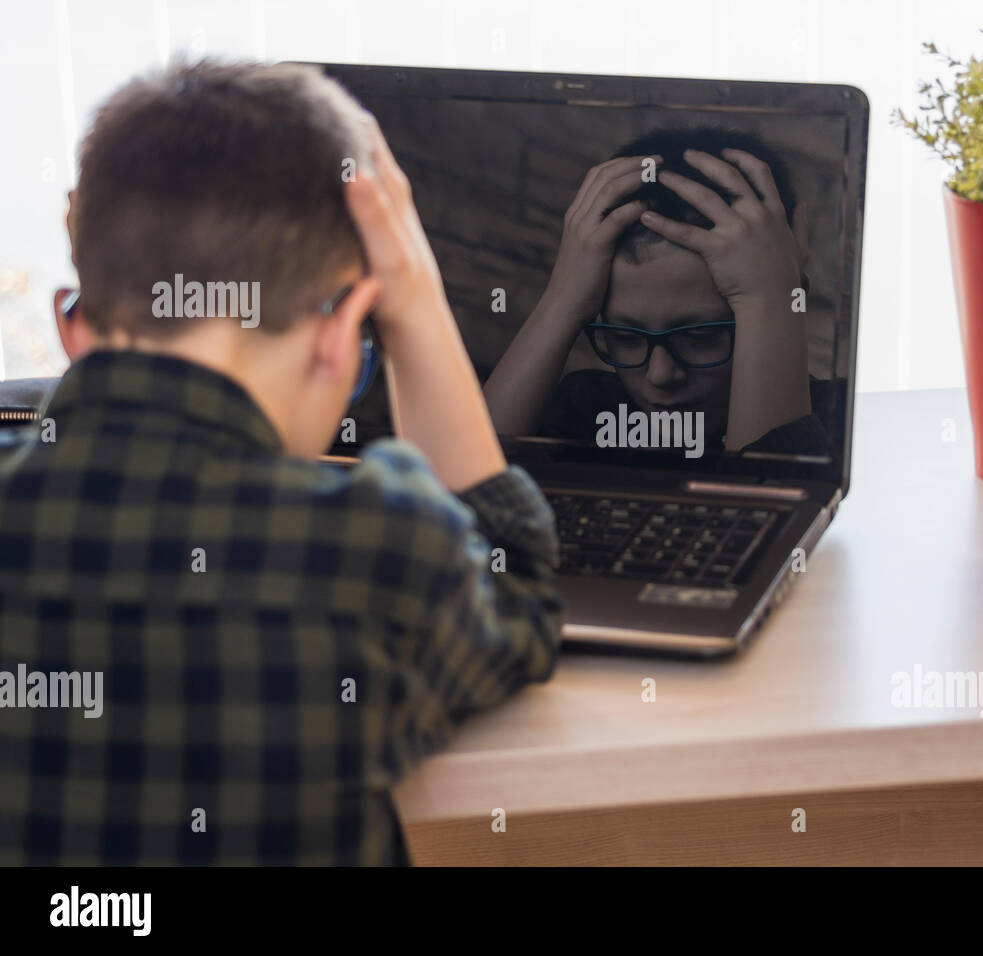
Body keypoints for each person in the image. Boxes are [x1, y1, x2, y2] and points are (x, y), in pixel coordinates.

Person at [0, 61, 563, 865]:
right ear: (342, 334)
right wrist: (412, 297)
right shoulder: (379, 547)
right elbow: (518, 581)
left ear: (72, 325)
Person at [484, 127, 833, 457]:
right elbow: (460, 496)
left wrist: (770, 300)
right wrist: (562, 300)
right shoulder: (580, 412)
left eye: (700, 336)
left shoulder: (849, 430)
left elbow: (759, 514)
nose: (660, 375)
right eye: (624, 335)